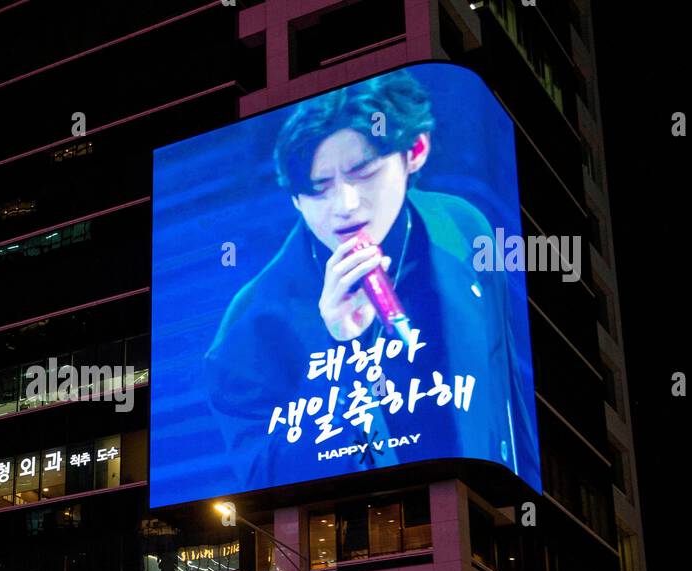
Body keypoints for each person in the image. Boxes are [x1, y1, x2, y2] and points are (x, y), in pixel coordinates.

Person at [203, 70, 536, 491]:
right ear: (295, 199)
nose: (345, 205)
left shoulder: (463, 225)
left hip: (481, 514)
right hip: (361, 531)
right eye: (319, 188)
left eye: (363, 172)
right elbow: (266, 479)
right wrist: (343, 352)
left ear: (414, 151)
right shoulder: (248, 327)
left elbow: (505, 394)